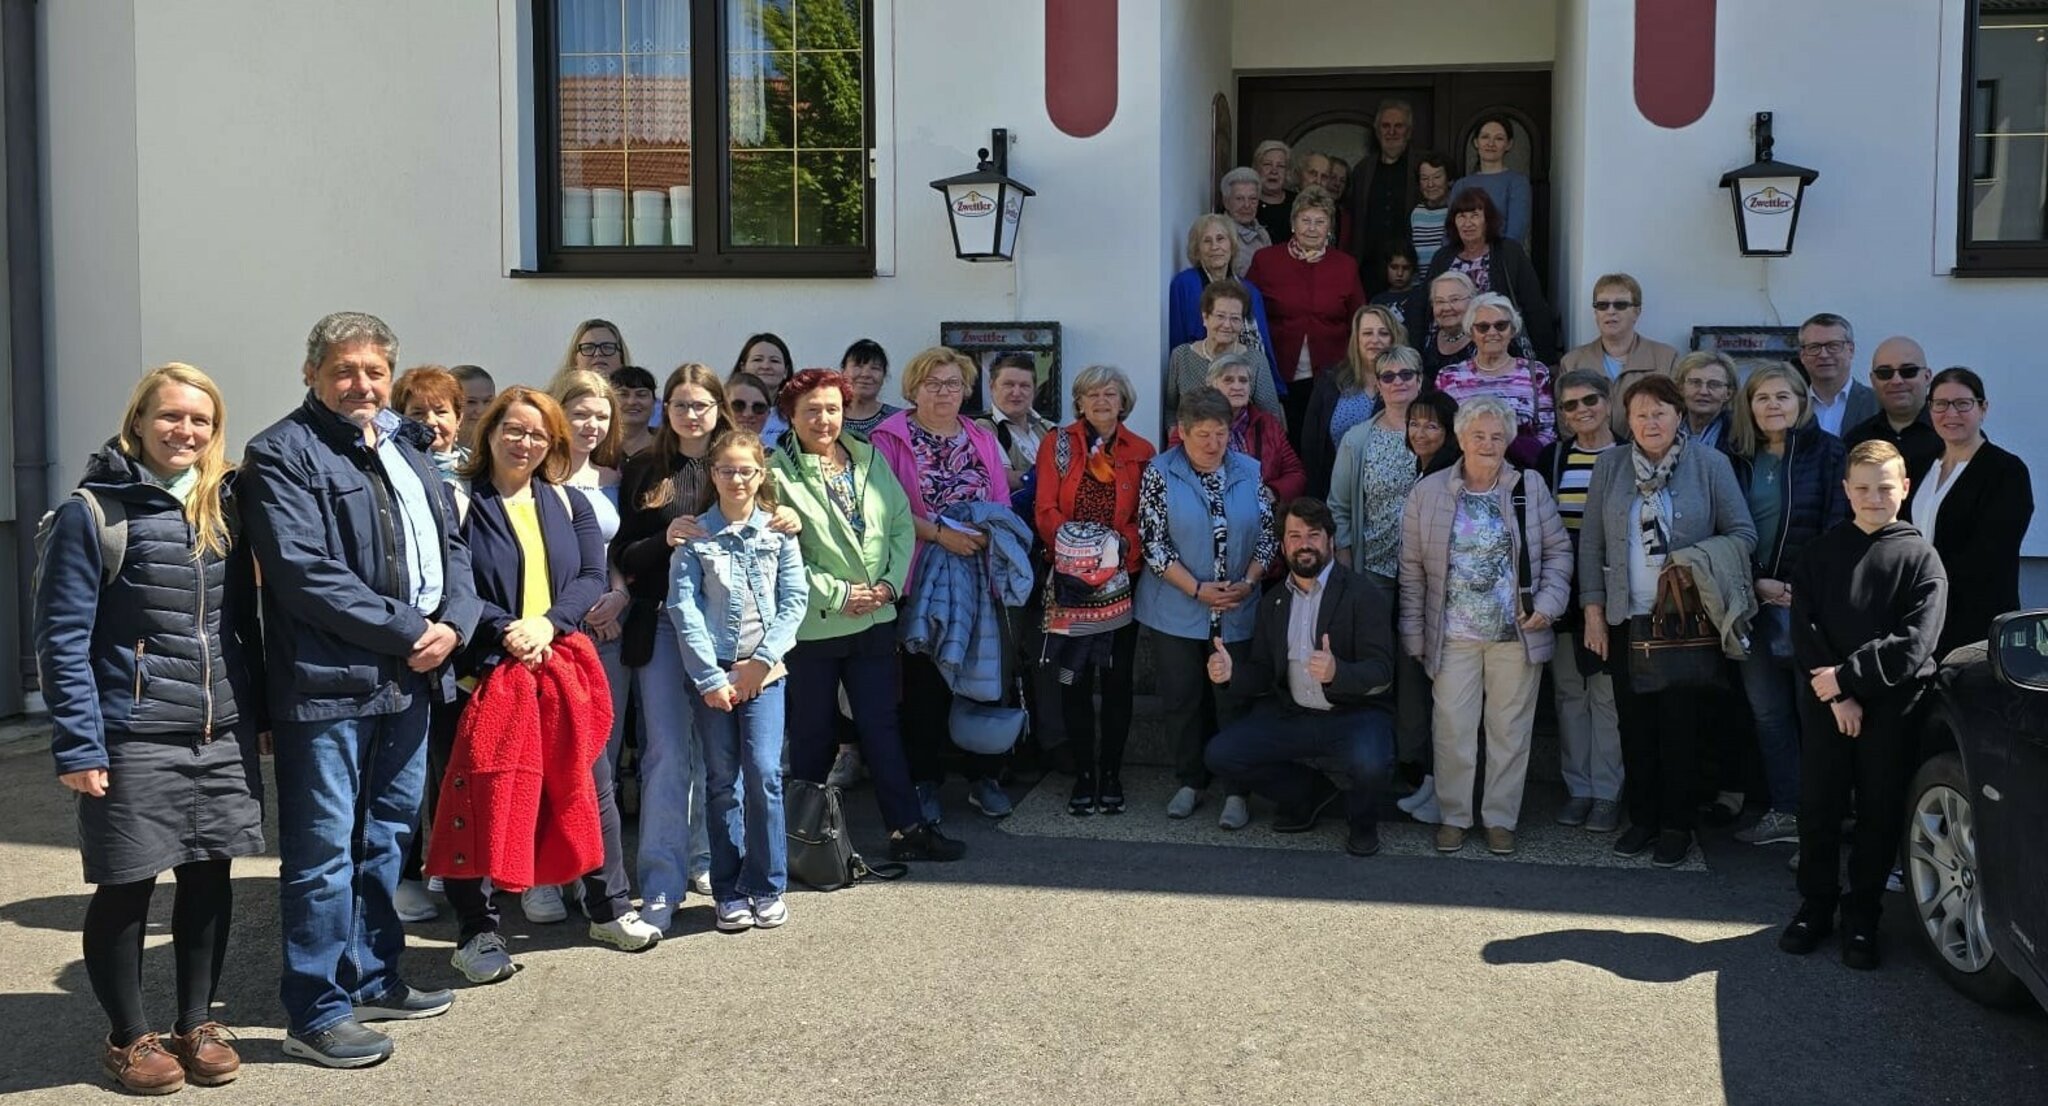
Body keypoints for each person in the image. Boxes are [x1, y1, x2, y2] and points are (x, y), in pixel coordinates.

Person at [240, 312, 482, 1067]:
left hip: (409, 681)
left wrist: (458, 623)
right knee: (321, 854)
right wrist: (415, 630)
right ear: (311, 374)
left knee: (385, 841)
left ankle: (375, 976)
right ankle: (315, 1011)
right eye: (344, 371)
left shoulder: (409, 446)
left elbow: (453, 550)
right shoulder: (279, 453)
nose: (361, 385)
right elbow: (305, 575)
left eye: (374, 372)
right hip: (328, 688)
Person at [35, 364, 264, 1094]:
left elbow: (242, 625)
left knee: (209, 877)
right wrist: (78, 742)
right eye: (170, 417)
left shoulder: (223, 506)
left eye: (199, 420)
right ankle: (130, 1037)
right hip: (132, 733)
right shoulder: (92, 513)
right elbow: (61, 637)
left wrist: (251, 715)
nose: (184, 432)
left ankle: (195, 1021)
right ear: (138, 420)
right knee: (127, 886)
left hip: (217, 730)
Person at [437, 387, 660, 984]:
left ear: (553, 443)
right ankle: (477, 931)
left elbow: (591, 576)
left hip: (560, 663)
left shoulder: (566, 500)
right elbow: (454, 587)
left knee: (590, 787)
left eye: (538, 434)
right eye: (513, 429)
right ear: (488, 433)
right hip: (486, 669)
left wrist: (547, 624)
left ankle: (608, 907)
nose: (525, 442)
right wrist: (507, 629)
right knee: (481, 797)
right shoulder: (459, 500)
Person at [771, 369, 966, 861]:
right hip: (816, 624)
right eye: (811, 410)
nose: (824, 418)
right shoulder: (775, 474)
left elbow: (901, 523)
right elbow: (778, 554)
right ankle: (805, 840)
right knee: (813, 733)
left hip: (876, 618)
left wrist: (887, 586)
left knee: (881, 726)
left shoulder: (868, 457)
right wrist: (838, 594)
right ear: (790, 416)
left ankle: (907, 829)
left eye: (832, 408)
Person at [1781, 440, 1947, 971]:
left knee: (1878, 811)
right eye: (1863, 489)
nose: (1874, 497)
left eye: (1885, 487)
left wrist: (1851, 681)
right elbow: (1804, 627)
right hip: (1828, 704)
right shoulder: (1821, 552)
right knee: (1820, 807)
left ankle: (1863, 916)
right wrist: (1838, 694)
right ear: (1847, 491)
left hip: (1892, 709)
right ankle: (1815, 906)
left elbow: (1914, 643)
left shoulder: (1921, 558)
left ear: (1905, 488)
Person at [1579, 374, 1756, 869]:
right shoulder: (1611, 466)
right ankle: (1643, 820)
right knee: (1633, 726)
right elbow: (1591, 544)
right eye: (1640, 414)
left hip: (1685, 619)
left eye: (1660, 412)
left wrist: (1695, 558)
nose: (1650, 421)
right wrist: (1593, 611)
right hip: (1624, 617)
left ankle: (1677, 825)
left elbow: (1742, 533)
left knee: (1681, 728)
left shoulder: (1709, 464)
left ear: (1679, 415)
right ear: (1627, 421)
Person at [1401, 396, 1573, 856]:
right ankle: (1455, 816)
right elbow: (1413, 572)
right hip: (1453, 634)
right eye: (1478, 435)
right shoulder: (1428, 492)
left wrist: (1550, 604)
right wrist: (1414, 634)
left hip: (1515, 634)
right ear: (1460, 439)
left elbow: (1558, 553)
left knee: (1509, 732)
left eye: (1497, 436)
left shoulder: (1529, 487)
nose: (1488, 443)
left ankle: (1500, 819)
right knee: (1452, 729)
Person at [870, 347, 1017, 821]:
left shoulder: (981, 437)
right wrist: (941, 535)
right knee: (924, 687)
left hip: (977, 575)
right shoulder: (888, 438)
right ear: (913, 388)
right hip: (920, 574)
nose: (943, 392)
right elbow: (884, 511)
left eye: (953, 383)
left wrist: (985, 535)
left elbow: (1001, 502)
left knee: (982, 677)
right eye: (932, 383)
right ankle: (925, 783)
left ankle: (984, 777)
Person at [669, 430, 806, 932]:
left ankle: (766, 883)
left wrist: (762, 663)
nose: (736, 479)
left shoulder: (779, 533)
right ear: (713, 475)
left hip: (766, 672)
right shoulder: (695, 536)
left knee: (765, 775)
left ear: (760, 474)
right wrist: (710, 676)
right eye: (726, 470)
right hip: (714, 676)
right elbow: (684, 607)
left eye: (746, 469)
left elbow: (794, 600)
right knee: (722, 780)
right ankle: (727, 888)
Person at [1205, 498, 1398, 855]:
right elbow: (1264, 672)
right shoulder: (1274, 601)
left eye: (1313, 534)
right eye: (1294, 536)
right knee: (1221, 753)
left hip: (1353, 715)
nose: (1304, 543)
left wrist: (1339, 671)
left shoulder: (1362, 594)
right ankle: (1311, 795)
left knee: (1371, 762)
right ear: (1283, 546)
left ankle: (1362, 822)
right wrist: (1233, 675)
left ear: (1330, 541)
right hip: (1292, 714)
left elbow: (1382, 670)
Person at [612, 363, 731, 931]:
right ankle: (660, 882)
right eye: (681, 405)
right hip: (660, 625)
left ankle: (706, 862)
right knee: (665, 754)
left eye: (701, 405)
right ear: (668, 410)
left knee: (716, 752)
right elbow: (625, 557)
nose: (691, 415)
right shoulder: (644, 467)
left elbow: (772, 529)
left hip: (725, 629)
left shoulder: (739, 462)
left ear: (717, 407)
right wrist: (665, 537)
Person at [1719, 363, 1848, 850]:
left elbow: (1838, 527)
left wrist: (1800, 587)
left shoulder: (1831, 454)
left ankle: (1822, 816)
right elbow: (1723, 526)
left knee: (1811, 713)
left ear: (1802, 402)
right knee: (1767, 713)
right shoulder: (1735, 458)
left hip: (1806, 607)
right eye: (1762, 398)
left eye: (1782, 397)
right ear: (1748, 407)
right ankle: (1785, 810)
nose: (1772, 405)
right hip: (1750, 603)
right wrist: (1755, 582)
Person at [1136, 387, 1275, 830]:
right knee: (1182, 698)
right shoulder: (1160, 472)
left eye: (1220, 432)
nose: (1213, 443)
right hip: (1176, 607)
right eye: (1202, 434)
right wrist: (1197, 589)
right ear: (1182, 433)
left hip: (1237, 605)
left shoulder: (1249, 471)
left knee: (1232, 699)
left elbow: (1268, 537)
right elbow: (1153, 544)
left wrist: (1248, 582)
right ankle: (1190, 781)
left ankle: (1237, 790)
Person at [1034, 365, 1154, 815]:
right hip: (1069, 580)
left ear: (1124, 401)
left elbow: (1144, 516)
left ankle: (1112, 773)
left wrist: (1114, 550)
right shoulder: (1057, 444)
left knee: (1117, 678)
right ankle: (1084, 773)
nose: (1102, 401)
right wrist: (1075, 553)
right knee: (1074, 678)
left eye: (1110, 394)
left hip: (1122, 576)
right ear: (1078, 402)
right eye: (1092, 395)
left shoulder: (1142, 450)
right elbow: (1045, 507)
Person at [549, 370, 642, 906]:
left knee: (598, 762)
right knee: (558, 758)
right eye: (581, 413)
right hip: (559, 630)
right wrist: (583, 607)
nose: (591, 424)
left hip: (610, 630)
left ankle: (594, 878)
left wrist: (620, 597)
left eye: (601, 416)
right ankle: (549, 875)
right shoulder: (537, 477)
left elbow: (620, 553)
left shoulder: (613, 478)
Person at [1532, 369, 1627, 833]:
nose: (1581, 411)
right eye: (1569, 405)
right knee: (1570, 692)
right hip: (1564, 588)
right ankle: (1579, 788)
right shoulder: (1555, 457)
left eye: (1590, 400)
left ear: (1608, 402)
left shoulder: (1630, 454)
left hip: (1616, 590)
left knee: (1607, 695)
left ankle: (1608, 792)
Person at [1905, 367, 2034, 656]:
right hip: (1918, 616)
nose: (1951, 414)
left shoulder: (2006, 471)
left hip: (1975, 621)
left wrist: (1925, 587)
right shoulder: (1920, 464)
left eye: (1963, 404)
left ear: (1982, 408)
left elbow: (1991, 552)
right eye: (1941, 404)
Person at [1244, 189, 1366, 441]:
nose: (1312, 228)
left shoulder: (1345, 265)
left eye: (1320, 222)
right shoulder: (1266, 260)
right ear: (1293, 223)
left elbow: (1359, 319)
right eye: (1305, 220)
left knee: (1322, 442)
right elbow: (1248, 314)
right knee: (1282, 440)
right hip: (1278, 372)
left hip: (1332, 373)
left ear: (1329, 227)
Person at [1417, 187, 1556, 362]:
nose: (1467, 223)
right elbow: (1424, 305)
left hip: (1497, 349)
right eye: (1461, 216)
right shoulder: (1443, 257)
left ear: (1487, 220)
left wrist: (1548, 359)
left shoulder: (1509, 252)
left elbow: (1534, 306)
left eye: (1474, 215)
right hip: (1446, 351)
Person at [1434, 292, 1555, 467]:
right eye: (1483, 327)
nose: (1492, 332)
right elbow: (1442, 431)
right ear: (1471, 332)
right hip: (1465, 471)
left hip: (1522, 470)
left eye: (1501, 325)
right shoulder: (1449, 377)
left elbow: (1547, 431)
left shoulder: (1536, 372)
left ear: (1513, 330)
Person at [1169, 351, 1304, 503]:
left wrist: (1272, 492)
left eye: (1243, 380)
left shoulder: (1267, 424)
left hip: (1258, 514)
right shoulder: (1191, 423)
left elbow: (1295, 473)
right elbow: (1174, 473)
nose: (1237, 386)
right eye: (1228, 380)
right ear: (1211, 384)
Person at [1302, 305, 1406, 499]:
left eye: (1383, 333)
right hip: (1334, 493)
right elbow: (1311, 446)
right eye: (1367, 333)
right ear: (1356, 339)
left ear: (1393, 338)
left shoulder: (1409, 384)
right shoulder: (1331, 381)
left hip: (1390, 496)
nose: (1375, 340)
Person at [1558, 274, 1680, 437]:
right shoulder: (1572, 362)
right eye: (1602, 305)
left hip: (1648, 456)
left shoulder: (1667, 358)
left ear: (1637, 312)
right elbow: (1566, 421)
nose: (1610, 311)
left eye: (1620, 305)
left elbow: (1677, 415)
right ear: (1596, 313)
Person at [1168, 212, 1280, 367]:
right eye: (1207, 241)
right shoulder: (1184, 285)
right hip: (1201, 378)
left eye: (1220, 239)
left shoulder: (1250, 291)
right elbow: (1178, 345)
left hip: (1249, 377)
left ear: (1232, 245)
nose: (1215, 247)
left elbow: (1264, 345)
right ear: (1197, 250)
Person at [1166, 279, 1283, 421]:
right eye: (1220, 316)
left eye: (1235, 318)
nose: (1227, 325)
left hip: (1244, 440)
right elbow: (1171, 410)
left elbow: (1271, 415)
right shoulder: (1181, 356)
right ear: (1205, 318)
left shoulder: (1255, 360)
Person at [1843, 336, 1939, 475]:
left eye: (1908, 371)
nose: (1896, 381)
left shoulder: (1954, 435)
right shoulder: (1856, 440)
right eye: (1884, 373)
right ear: (1873, 381)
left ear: (1927, 377)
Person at [1353, 99, 1418, 286]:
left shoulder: (1420, 167)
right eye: (1386, 126)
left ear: (1409, 131)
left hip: (1409, 269)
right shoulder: (1362, 170)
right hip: (1368, 269)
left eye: (1398, 126)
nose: (1391, 132)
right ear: (1377, 131)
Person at [978, 352, 1057, 492]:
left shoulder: (1048, 428)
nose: (1016, 392)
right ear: (992, 387)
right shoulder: (983, 428)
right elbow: (1005, 478)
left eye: (1024, 386)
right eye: (1008, 385)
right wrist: (1057, 477)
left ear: (1034, 389)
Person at [1450, 115, 1533, 245]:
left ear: (1509, 144)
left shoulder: (1517, 183)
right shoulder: (1461, 185)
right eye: (1485, 137)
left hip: (1502, 259)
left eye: (1499, 138)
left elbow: (1516, 234)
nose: (1490, 143)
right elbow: (1450, 232)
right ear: (1476, 142)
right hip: (1464, 260)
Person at [1795, 313, 1877, 437]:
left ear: (1851, 350)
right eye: (1814, 347)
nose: (1823, 355)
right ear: (1802, 355)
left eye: (1833, 346)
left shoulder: (1877, 403)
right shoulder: (1792, 406)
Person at [394, 365, 467, 478]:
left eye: (440, 412)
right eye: (418, 413)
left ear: (458, 419)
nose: (430, 422)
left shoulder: (482, 471)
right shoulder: (393, 471)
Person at [1418, 271, 1478, 384]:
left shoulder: (1484, 339)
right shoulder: (1427, 341)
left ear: (1472, 301)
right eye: (1439, 301)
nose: (1446, 307)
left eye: (1454, 299)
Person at [734, 332, 793, 441]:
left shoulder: (795, 413)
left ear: (786, 371)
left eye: (774, 361)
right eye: (757, 360)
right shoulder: (724, 408)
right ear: (743, 367)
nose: (765, 366)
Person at [838, 338, 901, 441]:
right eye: (858, 366)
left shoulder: (897, 419)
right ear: (843, 371)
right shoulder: (828, 416)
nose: (866, 374)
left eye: (875, 368)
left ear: (884, 375)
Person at [1674, 350, 1738, 448]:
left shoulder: (1741, 435)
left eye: (1714, 384)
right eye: (1695, 382)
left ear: (1728, 393)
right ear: (1681, 388)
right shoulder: (1665, 427)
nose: (1703, 391)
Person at [1218, 166, 1271, 276]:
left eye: (1253, 199)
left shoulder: (1262, 233)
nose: (1247, 205)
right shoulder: (1220, 235)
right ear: (1226, 202)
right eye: (1239, 199)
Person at [1407, 151, 1453, 263]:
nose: (1430, 184)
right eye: (1424, 178)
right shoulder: (1416, 213)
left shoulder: (1457, 211)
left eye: (1437, 177)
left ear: (1449, 180)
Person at [608, 365, 659, 461]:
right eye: (623, 394)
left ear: (654, 403)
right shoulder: (595, 447)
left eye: (641, 394)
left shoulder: (669, 448)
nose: (632, 401)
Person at [1251, 138, 1295, 243]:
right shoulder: (1245, 201)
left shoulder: (1298, 203)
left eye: (1280, 166)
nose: (1274, 171)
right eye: (1267, 164)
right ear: (1256, 168)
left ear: (1287, 173)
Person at [1367, 241, 1419, 331]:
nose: (1400, 273)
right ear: (1385, 267)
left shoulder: (1421, 297)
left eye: (1405, 268)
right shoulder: (1377, 302)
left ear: (1413, 269)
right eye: (1394, 267)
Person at [560, 318, 630, 380]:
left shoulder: (635, 394)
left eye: (607, 347)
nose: (598, 353)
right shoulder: (555, 395)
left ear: (621, 357)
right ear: (575, 359)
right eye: (588, 347)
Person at [726, 371, 779, 445]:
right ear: (722, 408)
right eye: (738, 405)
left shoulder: (779, 456)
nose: (748, 414)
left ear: (768, 413)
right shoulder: (705, 453)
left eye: (759, 407)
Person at [450, 364, 495, 444]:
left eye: (487, 401)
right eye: (471, 402)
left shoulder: (506, 450)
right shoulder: (427, 453)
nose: (481, 410)